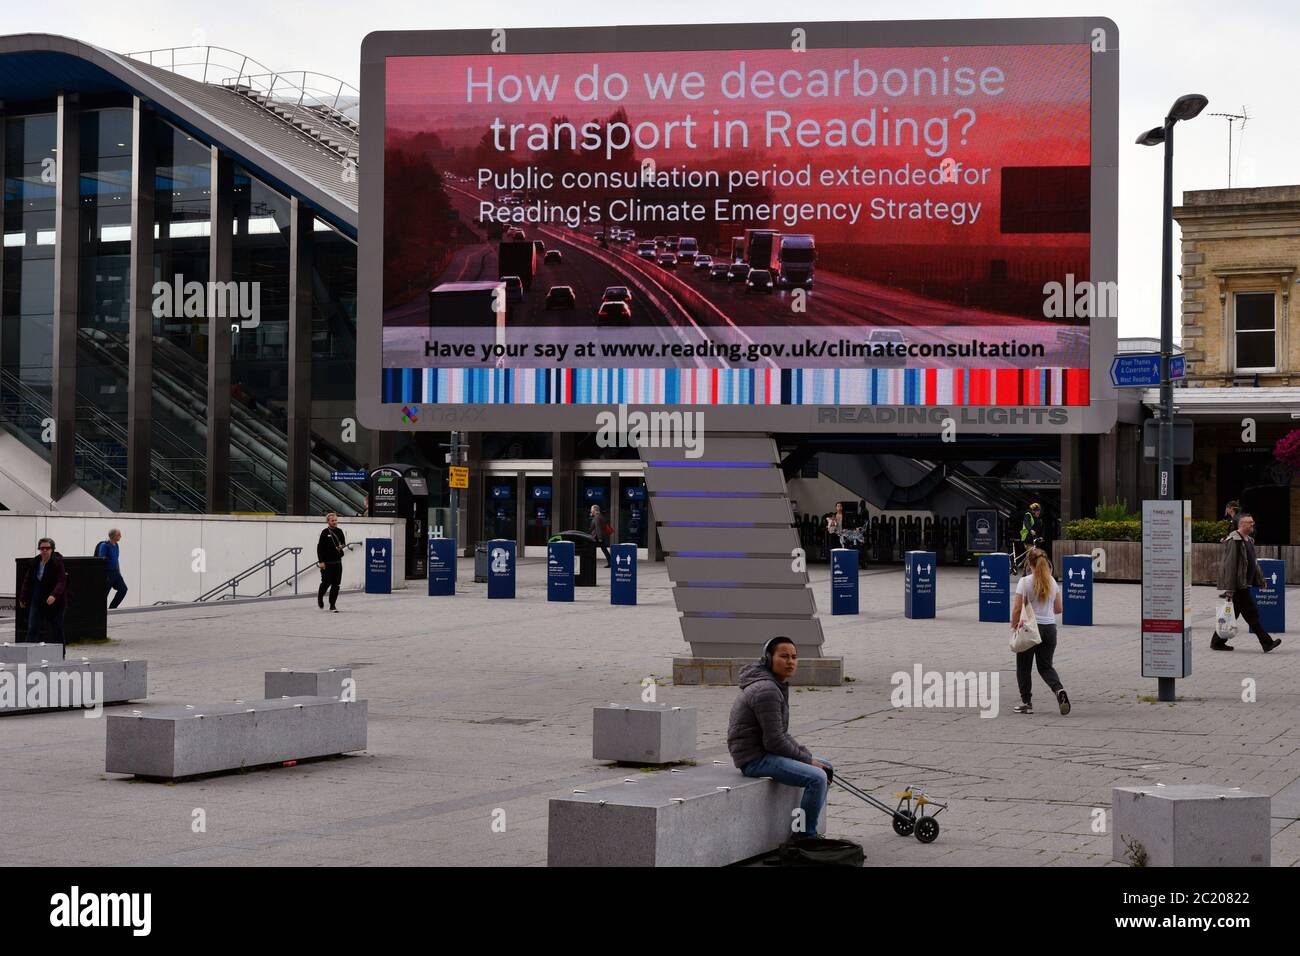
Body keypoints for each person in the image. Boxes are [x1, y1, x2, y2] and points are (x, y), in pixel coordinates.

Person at [728, 637, 835, 839]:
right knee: (818, 777)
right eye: (783, 656)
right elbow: (774, 741)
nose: (790, 662)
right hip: (754, 759)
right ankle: (805, 836)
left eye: (794, 657)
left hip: (765, 751)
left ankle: (808, 826)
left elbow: (780, 734)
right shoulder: (767, 690)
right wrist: (807, 761)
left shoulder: (774, 685)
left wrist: (806, 755)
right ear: (768, 659)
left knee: (825, 766)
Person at [1010, 546, 1070, 715]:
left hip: (1030, 628)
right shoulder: (1052, 582)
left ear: (1029, 564)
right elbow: (1059, 609)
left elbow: (1016, 608)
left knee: (1024, 667)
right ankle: (1059, 690)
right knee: (1045, 667)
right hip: (1050, 629)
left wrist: (1014, 625)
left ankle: (1026, 703)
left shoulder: (1024, 582)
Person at [1214, 512, 1281, 652]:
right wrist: (1230, 587)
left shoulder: (1249, 540)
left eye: (1252, 521)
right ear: (1242, 524)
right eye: (1250, 522)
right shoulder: (1234, 540)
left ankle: (1217, 642)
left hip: (1244, 583)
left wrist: (1261, 580)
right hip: (1238, 584)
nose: (1252, 524)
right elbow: (1230, 565)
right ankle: (1266, 642)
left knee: (1236, 612)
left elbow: (1253, 563)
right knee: (1251, 613)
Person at [19, 537, 69, 644]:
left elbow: (62, 581)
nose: (44, 550)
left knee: (57, 628)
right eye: (42, 548)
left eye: (47, 548)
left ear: (52, 549)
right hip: (37, 599)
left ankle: (60, 654)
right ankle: (28, 654)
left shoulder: (57, 562)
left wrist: (54, 595)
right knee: (33, 627)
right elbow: (27, 581)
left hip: (55, 601)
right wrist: (23, 597)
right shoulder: (35, 562)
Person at [316, 512, 346, 612]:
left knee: (336, 584)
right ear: (328, 522)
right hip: (327, 563)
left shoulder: (340, 531)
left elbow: (343, 543)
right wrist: (321, 561)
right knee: (326, 583)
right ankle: (320, 597)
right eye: (332, 521)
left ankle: (332, 605)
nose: (334, 522)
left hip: (337, 562)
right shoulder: (324, 532)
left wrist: (341, 546)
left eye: (335, 520)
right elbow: (319, 548)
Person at [94, 528, 128, 609]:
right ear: (113, 536)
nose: (121, 536)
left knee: (123, 589)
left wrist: (119, 572)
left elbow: (116, 559)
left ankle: (112, 608)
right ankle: (99, 611)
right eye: (119, 534)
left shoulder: (116, 545)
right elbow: (101, 560)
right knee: (104, 594)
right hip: (107, 573)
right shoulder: (105, 545)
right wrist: (103, 575)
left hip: (115, 572)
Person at [1015, 502, 1046, 569]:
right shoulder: (1028, 515)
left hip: (1034, 539)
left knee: (1029, 555)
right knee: (1031, 555)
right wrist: (1030, 530)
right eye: (1037, 511)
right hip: (1027, 538)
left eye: (1039, 511)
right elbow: (1027, 523)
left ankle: (1024, 571)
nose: (1038, 512)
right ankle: (1031, 571)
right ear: (1033, 511)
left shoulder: (1039, 519)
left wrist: (1042, 536)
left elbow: (1042, 529)